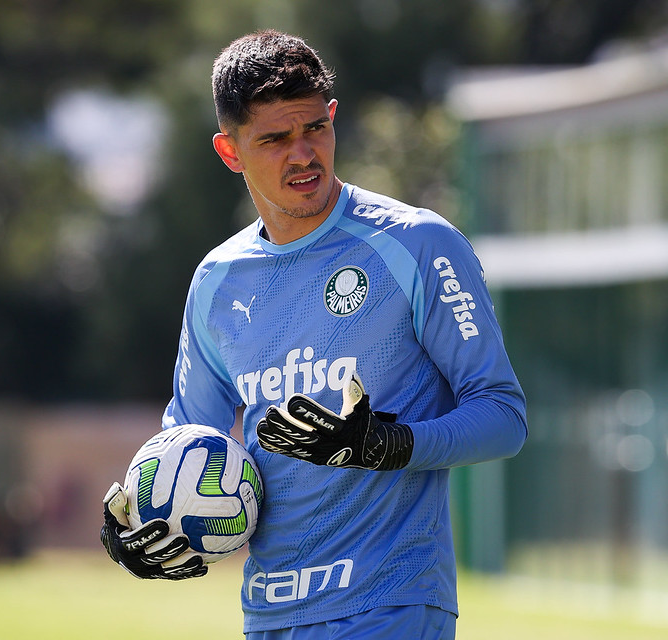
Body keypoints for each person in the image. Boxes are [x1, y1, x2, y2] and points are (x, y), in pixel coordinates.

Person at [101, 29, 527, 639]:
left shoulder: (417, 245)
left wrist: (390, 444)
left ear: (332, 119)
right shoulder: (217, 282)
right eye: (274, 139)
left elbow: (503, 416)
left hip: (392, 602)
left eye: (314, 130)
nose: (303, 155)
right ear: (230, 152)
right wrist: (141, 519)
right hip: (271, 615)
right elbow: (189, 439)